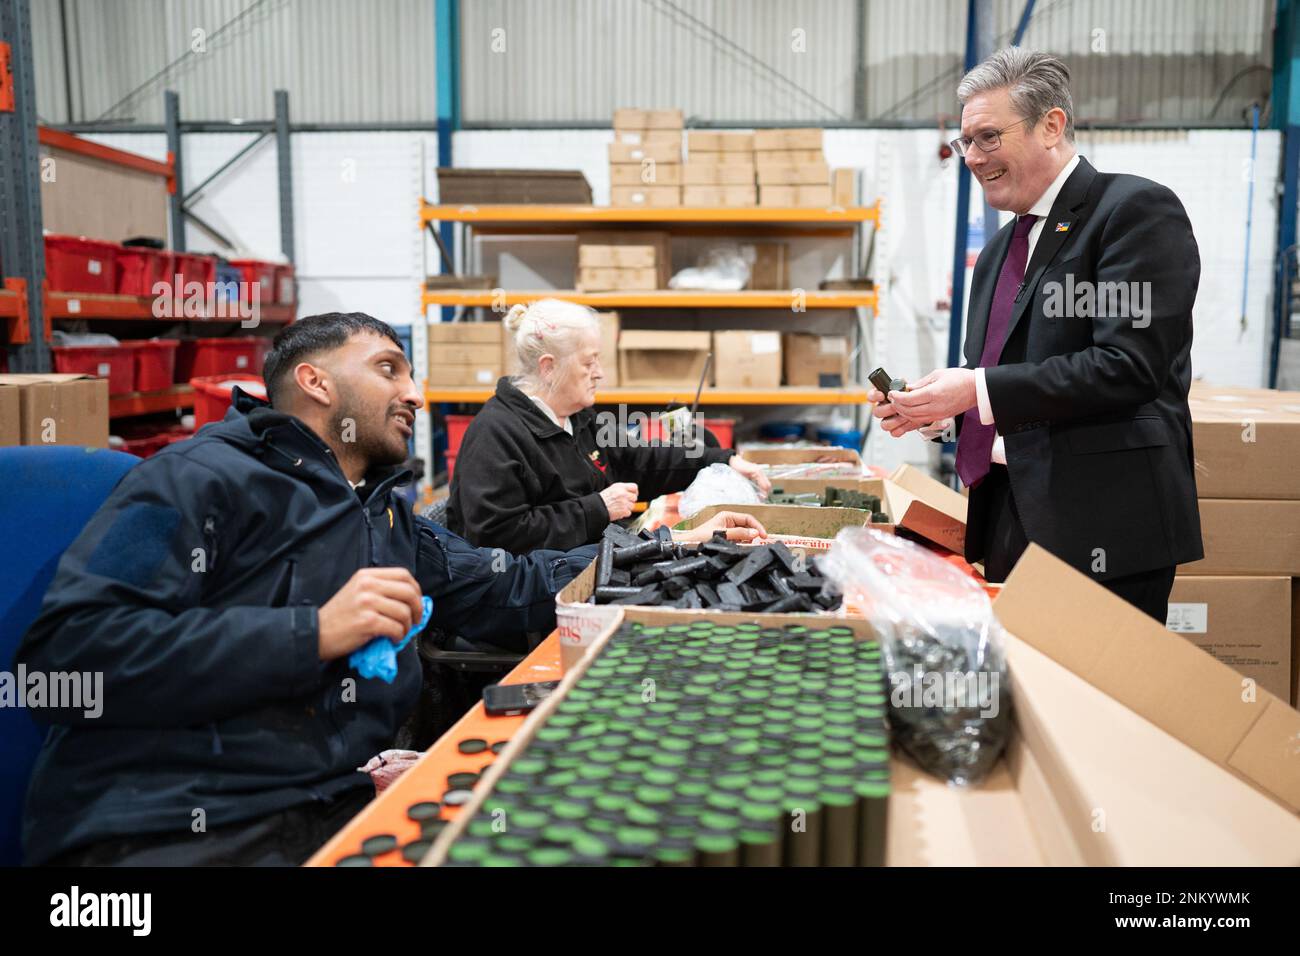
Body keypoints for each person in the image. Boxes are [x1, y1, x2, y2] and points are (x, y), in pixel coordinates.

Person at [17, 312, 763, 867]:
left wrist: (670, 549)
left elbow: (499, 581)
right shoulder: (202, 479)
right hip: (163, 831)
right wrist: (309, 634)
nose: (413, 391)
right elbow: (60, 663)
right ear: (314, 382)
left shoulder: (379, 508)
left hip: (321, 805)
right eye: (388, 369)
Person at [869, 48, 1202, 622]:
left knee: (1099, 703)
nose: (972, 157)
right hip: (1009, 522)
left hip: (1104, 531)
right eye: (965, 142)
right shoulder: (999, 251)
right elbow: (1011, 383)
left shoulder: (1131, 212)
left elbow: (1128, 365)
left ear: (1051, 125)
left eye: (988, 137)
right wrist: (942, 413)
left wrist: (974, 390)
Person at [446, 298, 772, 553]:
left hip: (588, 563)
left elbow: (637, 460)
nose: (600, 373)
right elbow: (498, 537)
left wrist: (721, 459)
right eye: (589, 363)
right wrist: (597, 508)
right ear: (548, 368)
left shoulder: (576, 417)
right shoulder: (496, 436)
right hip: (526, 610)